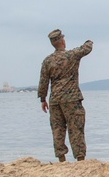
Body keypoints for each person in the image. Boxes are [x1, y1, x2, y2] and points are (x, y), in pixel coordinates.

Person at [37, 29, 93, 162]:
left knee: (57, 129)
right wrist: (90, 41)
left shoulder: (47, 61)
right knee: (76, 128)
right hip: (72, 98)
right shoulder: (71, 55)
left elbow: (43, 81)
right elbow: (87, 48)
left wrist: (43, 99)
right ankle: (80, 158)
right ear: (62, 41)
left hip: (55, 100)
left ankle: (61, 159)